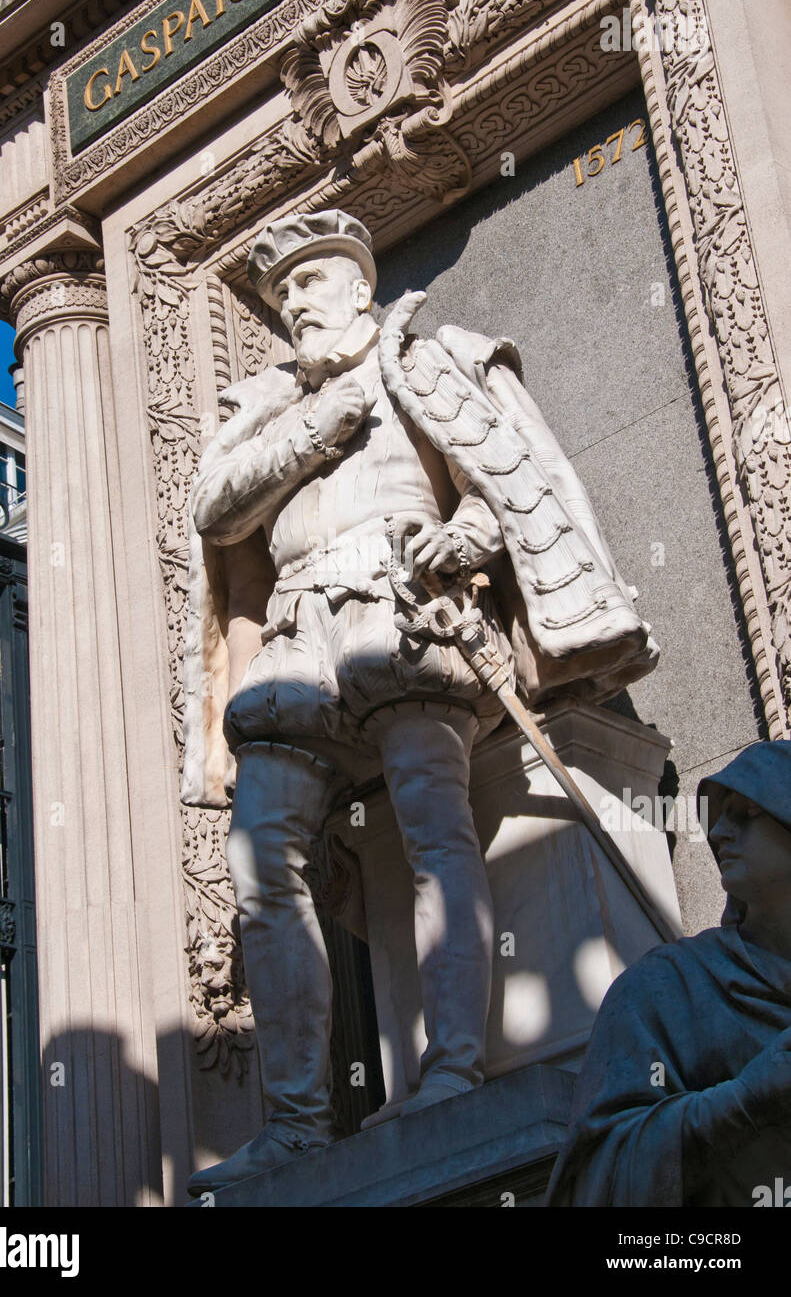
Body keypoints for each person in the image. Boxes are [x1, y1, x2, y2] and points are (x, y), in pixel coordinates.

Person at [182, 209, 656, 1193]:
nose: (294, 306)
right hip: (297, 626)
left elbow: (508, 480)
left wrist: (468, 537)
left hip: (405, 611)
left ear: (356, 283)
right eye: (281, 296)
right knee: (260, 857)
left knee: (436, 830)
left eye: (309, 283)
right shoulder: (271, 405)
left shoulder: (429, 357)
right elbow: (215, 507)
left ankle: (450, 1066)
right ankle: (298, 1121)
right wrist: (314, 430)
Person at [545, 739, 791, 1207]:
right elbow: (593, 1183)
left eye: (745, 813)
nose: (718, 833)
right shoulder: (665, 988)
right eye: (719, 816)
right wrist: (744, 1102)